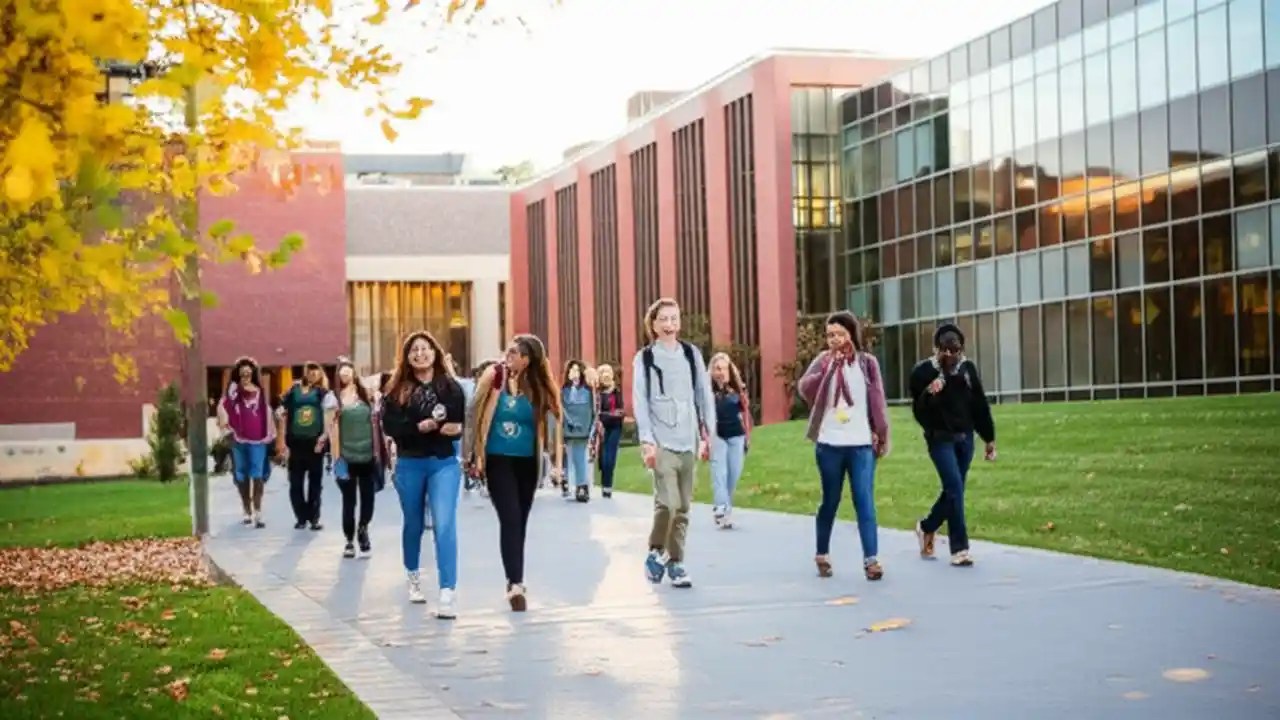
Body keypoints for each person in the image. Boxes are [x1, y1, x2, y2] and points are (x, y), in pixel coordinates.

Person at [465, 334, 563, 611]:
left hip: (527, 462)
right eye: (507, 352)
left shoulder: (538, 386)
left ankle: (515, 577)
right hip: (497, 459)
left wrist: (556, 464)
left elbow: (556, 419)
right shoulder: (494, 376)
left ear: (527, 358)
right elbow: (473, 411)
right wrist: (473, 454)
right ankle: (515, 584)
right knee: (509, 518)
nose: (508, 357)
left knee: (520, 520)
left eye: (514, 353)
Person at [797, 311, 891, 581]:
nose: (834, 339)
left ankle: (871, 559)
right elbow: (806, 389)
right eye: (830, 335)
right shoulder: (823, 361)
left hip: (861, 444)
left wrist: (881, 435)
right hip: (830, 443)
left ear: (851, 334)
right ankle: (822, 552)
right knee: (831, 499)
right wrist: (828, 370)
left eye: (839, 334)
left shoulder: (867, 364)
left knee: (864, 500)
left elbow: (878, 402)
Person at [380, 332, 466, 616]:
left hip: (443, 462)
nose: (420, 354)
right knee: (414, 524)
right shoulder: (397, 391)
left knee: (444, 524)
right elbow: (391, 426)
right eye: (414, 350)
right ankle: (413, 575)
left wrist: (453, 429)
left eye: (425, 348)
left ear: (435, 352)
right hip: (410, 463)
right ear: (406, 357)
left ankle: (447, 591)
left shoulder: (450, 386)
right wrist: (419, 427)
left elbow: (459, 420)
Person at [632, 298, 715, 589]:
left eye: (674, 319)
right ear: (653, 325)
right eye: (663, 319)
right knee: (668, 503)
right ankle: (656, 549)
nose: (669, 325)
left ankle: (676, 562)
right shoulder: (645, 359)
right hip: (661, 441)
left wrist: (708, 436)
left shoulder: (691, 355)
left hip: (688, 440)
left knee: (684, 507)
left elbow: (703, 396)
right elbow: (640, 402)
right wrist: (646, 442)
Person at [909, 323, 996, 568]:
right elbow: (918, 410)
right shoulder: (923, 372)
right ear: (936, 349)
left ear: (962, 349)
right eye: (944, 350)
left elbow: (979, 405)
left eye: (954, 350)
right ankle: (960, 549)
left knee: (954, 492)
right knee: (955, 489)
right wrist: (929, 393)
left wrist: (989, 438)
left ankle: (926, 526)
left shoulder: (967, 371)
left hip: (965, 439)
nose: (950, 355)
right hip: (939, 439)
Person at [331, 360, 386, 559]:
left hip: (368, 455)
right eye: (341, 373)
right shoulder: (335, 399)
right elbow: (332, 429)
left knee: (368, 498)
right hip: (346, 456)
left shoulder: (368, 394)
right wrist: (336, 458)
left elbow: (379, 417)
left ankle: (363, 529)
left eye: (348, 371)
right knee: (349, 501)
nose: (345, 375)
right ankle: (348, 541)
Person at [275, 361, 338, 531]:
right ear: (305, 372)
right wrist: (281, 440)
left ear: (320, 374)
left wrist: (324, 438)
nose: (312, 374)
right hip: (295, 443)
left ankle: (314, 517)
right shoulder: (293, 391)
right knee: (295, 483)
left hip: (315, 444)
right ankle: (301, 517)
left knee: (315, 483)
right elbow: (281, 410)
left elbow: (330, 415)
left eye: (316, 371)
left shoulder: (323, 393)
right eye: (310, 371)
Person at [217, 357, 274, 528]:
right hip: (238, 439)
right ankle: (246, 509)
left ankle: (258, 511)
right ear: (238, 375)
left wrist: (273, 434)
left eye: (248, 373)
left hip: (258, 440)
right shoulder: (233, 393)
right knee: (241, 476)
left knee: (257, 475)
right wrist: (225, 428)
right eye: (242, 374)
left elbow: (266, 412)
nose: (245, 377)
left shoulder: (260, 392)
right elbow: (222, 407)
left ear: (253, 374)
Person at [707, 353, 752, 529]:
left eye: (724, 368)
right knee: (720, 472)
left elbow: (745, 414)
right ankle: (720, 507)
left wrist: (748, 437)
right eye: (717, 369)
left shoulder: (738, 390)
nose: (721, 372)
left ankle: (726, 511)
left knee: (733, 474)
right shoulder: (707, 391)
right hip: (717, 435)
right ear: (711, 371)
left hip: (736, 435)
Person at [560, 359, 597, 503]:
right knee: (570, 457)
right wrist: (569, 422)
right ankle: (572, 483)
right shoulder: (564, 391)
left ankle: (582, 485)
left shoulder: (587, 391)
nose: (573, 373)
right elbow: (562, 409)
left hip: (583, 430)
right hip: (569, 430)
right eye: (571, 370)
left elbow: (591, 411)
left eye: (576, 370)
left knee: (580, 457)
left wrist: (589, 428)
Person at [591, 364, 625, 499]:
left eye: (607, 372)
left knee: (610, 459)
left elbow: (621, 411)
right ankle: (604, 485)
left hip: (615, 427)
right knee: (603, 459)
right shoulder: (597, 393)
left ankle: (608, 487)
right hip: (602, 428)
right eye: (603, 372)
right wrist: (605, 416)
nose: (605, 374)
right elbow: (596, 412)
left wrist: (607, 415)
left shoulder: (616, 391)